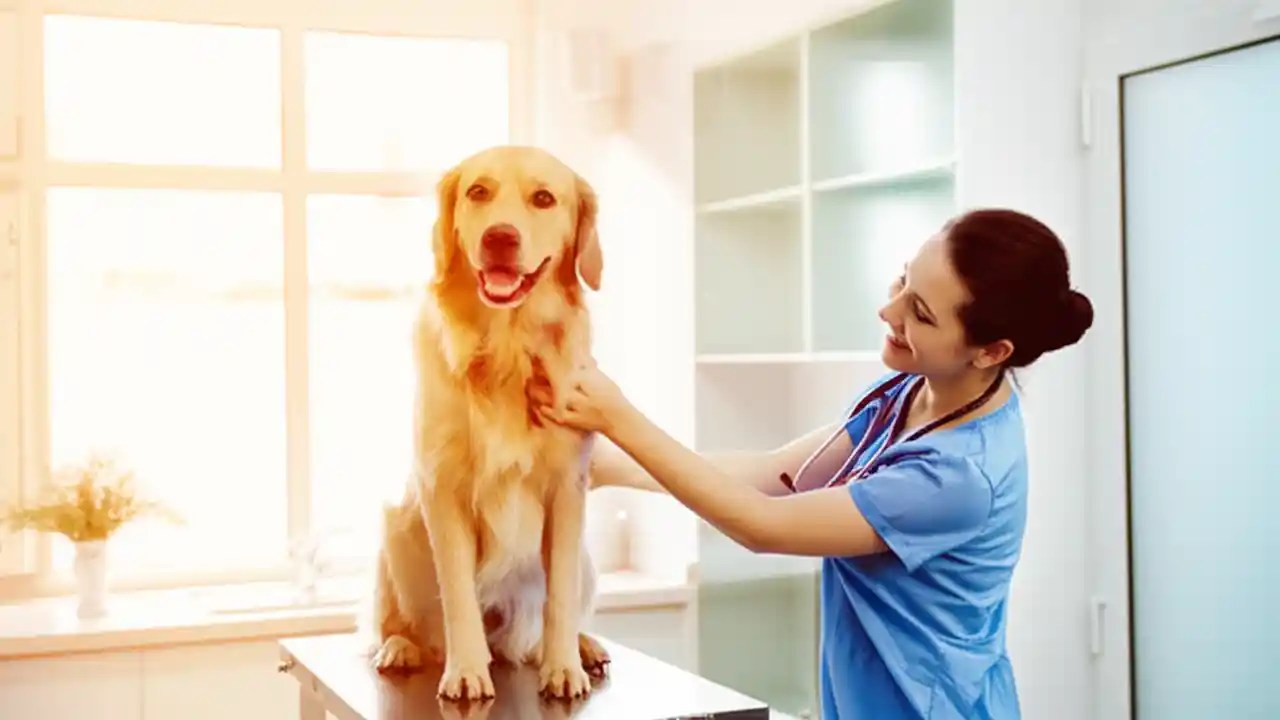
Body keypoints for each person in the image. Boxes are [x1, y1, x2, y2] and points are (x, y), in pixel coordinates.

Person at [533, 208, 1094, 719]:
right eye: (903, 280)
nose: (888, 309)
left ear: (991, 351)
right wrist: (604, 466)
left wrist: (619, 418)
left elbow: (763, 525)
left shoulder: (955, 476)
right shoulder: (907, 392)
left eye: (919, 313)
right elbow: (779, 477)